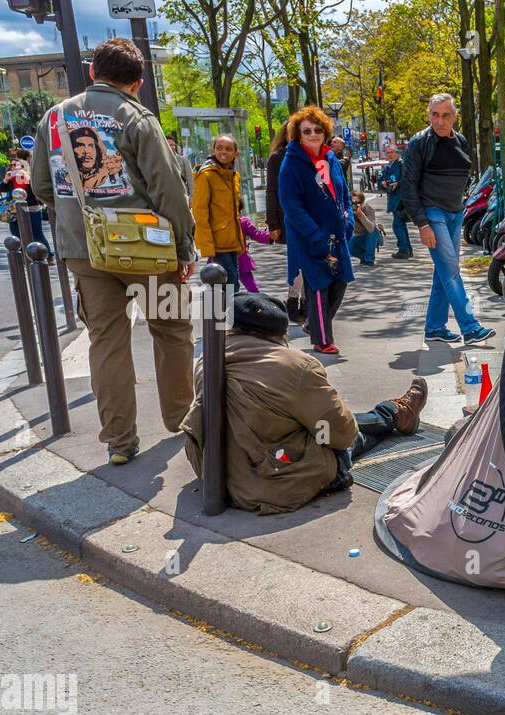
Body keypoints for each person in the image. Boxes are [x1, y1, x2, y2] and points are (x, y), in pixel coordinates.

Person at [30, 37, 196, 466]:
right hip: (147, 249)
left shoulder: (53, 118)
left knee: (106, 342)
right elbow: (168, 189)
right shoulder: (137, 118)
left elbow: (42, 188)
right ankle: (180, 421)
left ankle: (119, 441)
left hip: (85, 249)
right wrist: (183, 247)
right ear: (138, 82)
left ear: (91, 72)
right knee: (172, 332)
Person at [180, 293, 430, 515]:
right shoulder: (296, 366)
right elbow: (341, 434)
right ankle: (394, 413)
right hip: (272, 483)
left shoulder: (209, 358)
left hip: (215, 476)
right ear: (281, 334)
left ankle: (395, 413)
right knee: (339, 432)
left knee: (317, 419)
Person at [401, 93, 494, 345]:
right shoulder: (419, 143)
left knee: (443, 271)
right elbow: (407, 186)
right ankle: (470, 327)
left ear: (454, 117)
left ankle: (434, 327)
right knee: (452, 271)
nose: (439, 121)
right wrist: (422, 223)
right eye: (434, 114)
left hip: (455, 213)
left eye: (445, 115)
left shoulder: (461, 141)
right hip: (433, 214)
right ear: (428, 114)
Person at [277, 106, 354, 355]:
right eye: (307, 130)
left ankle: (313, 323)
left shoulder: (331, 158)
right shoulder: (291, 163)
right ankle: (322, 339)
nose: (313, 134)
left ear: (325, 132)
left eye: (317, 130)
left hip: (337, 234)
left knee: (340, 280)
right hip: (309, 236)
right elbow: (291, 204)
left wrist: (349, 220)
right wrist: (313, 233)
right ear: (298, 134)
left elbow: (343, 195)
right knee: (318, 284)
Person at [192, 134, 245, 289]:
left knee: (232, 281)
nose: (224, 152)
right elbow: (200, 211)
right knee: (231, 284)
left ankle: (228, 312)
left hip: (232, 241)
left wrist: (240, 241)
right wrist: (207, 246)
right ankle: (229, 312)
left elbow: (235, 213)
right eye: (219, 148)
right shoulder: (206, 175)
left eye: (229, 149)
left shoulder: (234, 176)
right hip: (217, 242)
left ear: (236, 153)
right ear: (213, 150)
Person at [264, 125, 305, 324]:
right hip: (288, 217)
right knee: (298, 261)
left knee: (310, 261)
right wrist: (272, 223)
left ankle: (305, 300)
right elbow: (271, 191)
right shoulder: (277, 157)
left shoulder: (309, 154)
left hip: (311, 217)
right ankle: (293, 299)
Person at [1, 149, 54, 261]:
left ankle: (48, 256)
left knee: (37, 234)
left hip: (32, 209)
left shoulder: (29, 177)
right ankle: (22, 257)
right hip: (15, 211)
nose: (14, 167)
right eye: (12, 165)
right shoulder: (10, 179)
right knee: (16, 235)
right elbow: (2, 189)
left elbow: (35, 190)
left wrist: (26, 176)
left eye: (17, 166)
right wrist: (6, 179)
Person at [381, 143, 413, 258]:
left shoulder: (401, 164)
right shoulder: (387, 166)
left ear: (397, 154)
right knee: (399, 225)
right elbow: (381, 180)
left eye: (391, 152)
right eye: (387, 152)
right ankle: (406, 249)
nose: (389, 155)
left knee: (398, 225)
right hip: (394, 200)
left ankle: (404, 249)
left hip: (400, 200)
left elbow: (408, 178)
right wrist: (383, 183)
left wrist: (397, 183)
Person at [237, 214, 272, 292]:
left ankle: (257, 303)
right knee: (252, 289)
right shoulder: (242, 221)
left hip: (237, 260)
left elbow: (256, 234)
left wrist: (271, 237)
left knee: (252, 290)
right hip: (227, 260)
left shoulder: (242, 221)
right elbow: (256, 234)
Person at [349, 190, 384, 266]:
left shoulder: (368, 209)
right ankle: (364, 257)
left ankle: (369, 259)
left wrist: (360, 215)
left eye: (358, 203)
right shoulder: (349, 211)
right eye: (353, 203)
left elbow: (371, 229)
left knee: (371, 231)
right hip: (361, 237)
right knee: (349, 245)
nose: (355, 205)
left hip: (375, 237)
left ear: (362, 202)